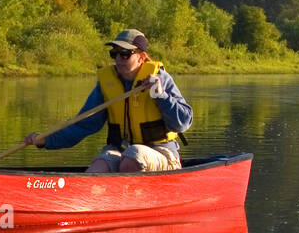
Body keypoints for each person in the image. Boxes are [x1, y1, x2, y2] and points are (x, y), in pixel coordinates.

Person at [23, 28, 192, 172]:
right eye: (114, 54)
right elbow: (83, 124)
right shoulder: (107, 83)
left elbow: (184, 122)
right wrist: (46, 140)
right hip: (121, 151)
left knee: (133, 156)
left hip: (162, 154)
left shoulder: (161, 79)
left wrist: (161, 96)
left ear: (141, 57)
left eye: (125, 54)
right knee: (99, 167)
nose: (118, 59)